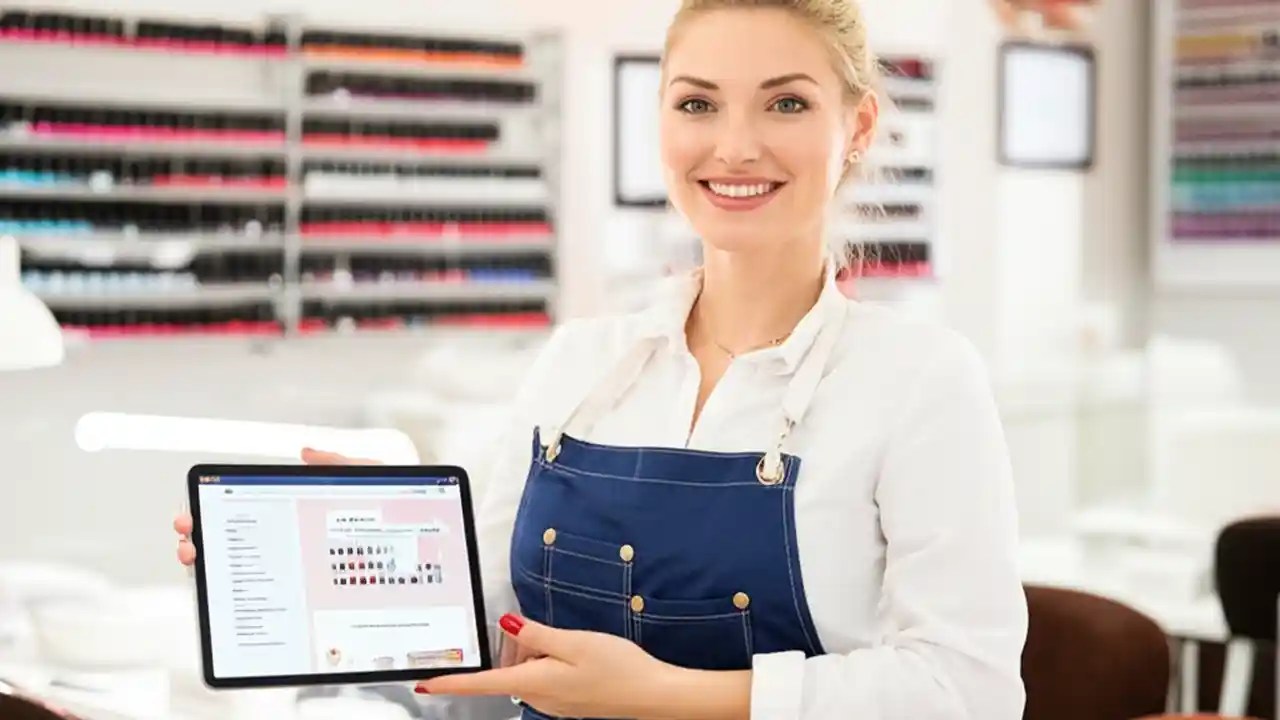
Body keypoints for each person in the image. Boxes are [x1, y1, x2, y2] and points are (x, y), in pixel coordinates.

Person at [176, 1, 1029, 717]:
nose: (733, 146)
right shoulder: (581, 361)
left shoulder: (919, 380)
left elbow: (966, 687)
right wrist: (318, 565)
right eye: (697, 105)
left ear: (858, 128)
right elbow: (483, 627)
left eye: (786, 104)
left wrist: (671, 695)